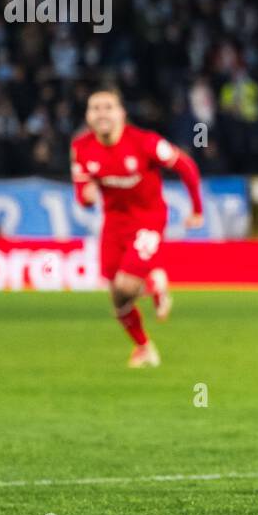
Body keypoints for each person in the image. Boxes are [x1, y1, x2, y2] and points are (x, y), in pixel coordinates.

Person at [71, 88, 203, 368]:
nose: (102, 113)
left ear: (122, 113)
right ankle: (144, 347)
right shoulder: (81, 147)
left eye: (108, 107)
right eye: (95, 108)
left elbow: (186, 166)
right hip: (114, 223)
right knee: (117, 296)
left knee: (126, 284)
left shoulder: (145, 142)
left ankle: (151, 280)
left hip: (148, 219)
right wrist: (86, 196)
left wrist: (197, 209)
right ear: (87, 115)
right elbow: (82, 193)